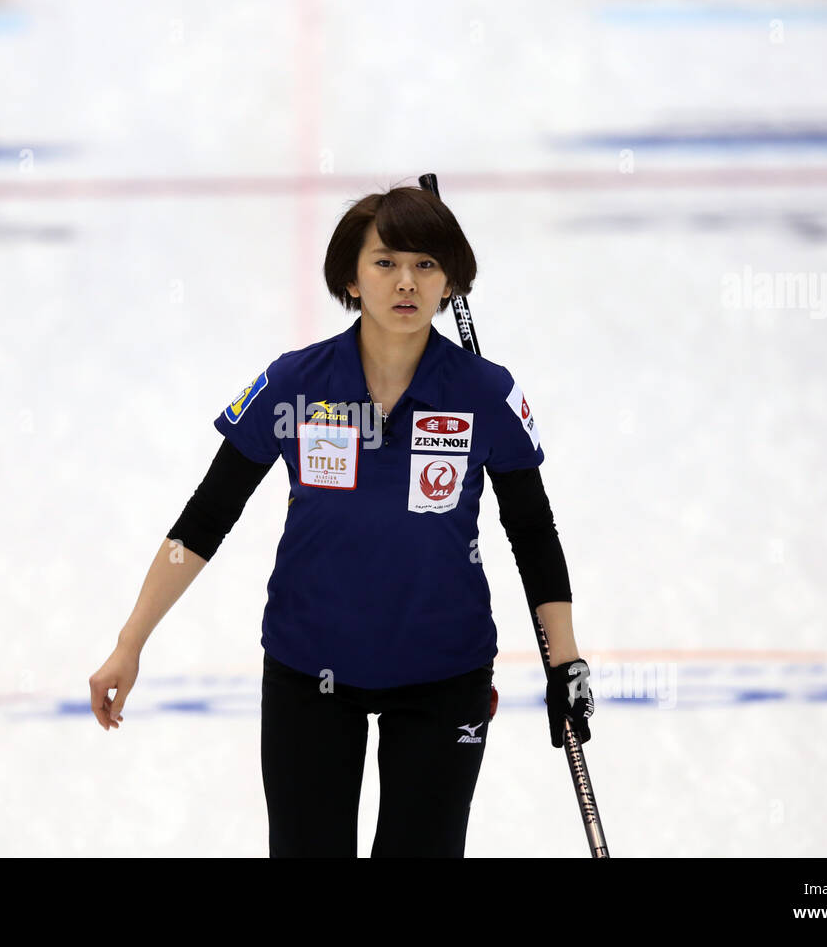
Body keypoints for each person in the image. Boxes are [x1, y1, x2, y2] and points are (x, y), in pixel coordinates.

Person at [89, 184, 594, 857]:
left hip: (444, 674)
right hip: (310, 668)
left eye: (425, 264)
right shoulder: (295, 384)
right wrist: (131, 641)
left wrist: (566, 663)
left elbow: (533, 533)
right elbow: (206, 518)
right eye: (385, 263)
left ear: (450, 281)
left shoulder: (485, 394)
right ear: (350, 279)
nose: (406, 281)